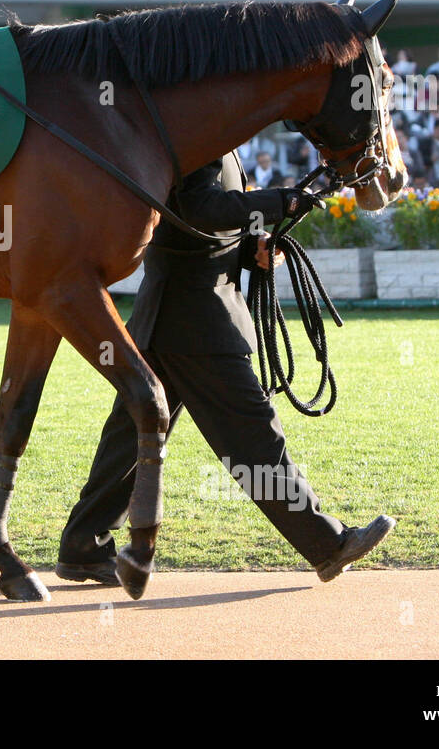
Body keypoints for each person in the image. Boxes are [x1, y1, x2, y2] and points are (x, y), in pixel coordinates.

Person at [56, 152, 394, 587]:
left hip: (174, 316)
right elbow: (199, 208)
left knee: (131, 436)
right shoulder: (196, 135)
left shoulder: (218, 140)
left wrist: (254, 251)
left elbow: (207, 225)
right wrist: (281, 202)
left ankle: (84, 546)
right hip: (197, 320)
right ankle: (327, 545)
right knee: (252, 433)